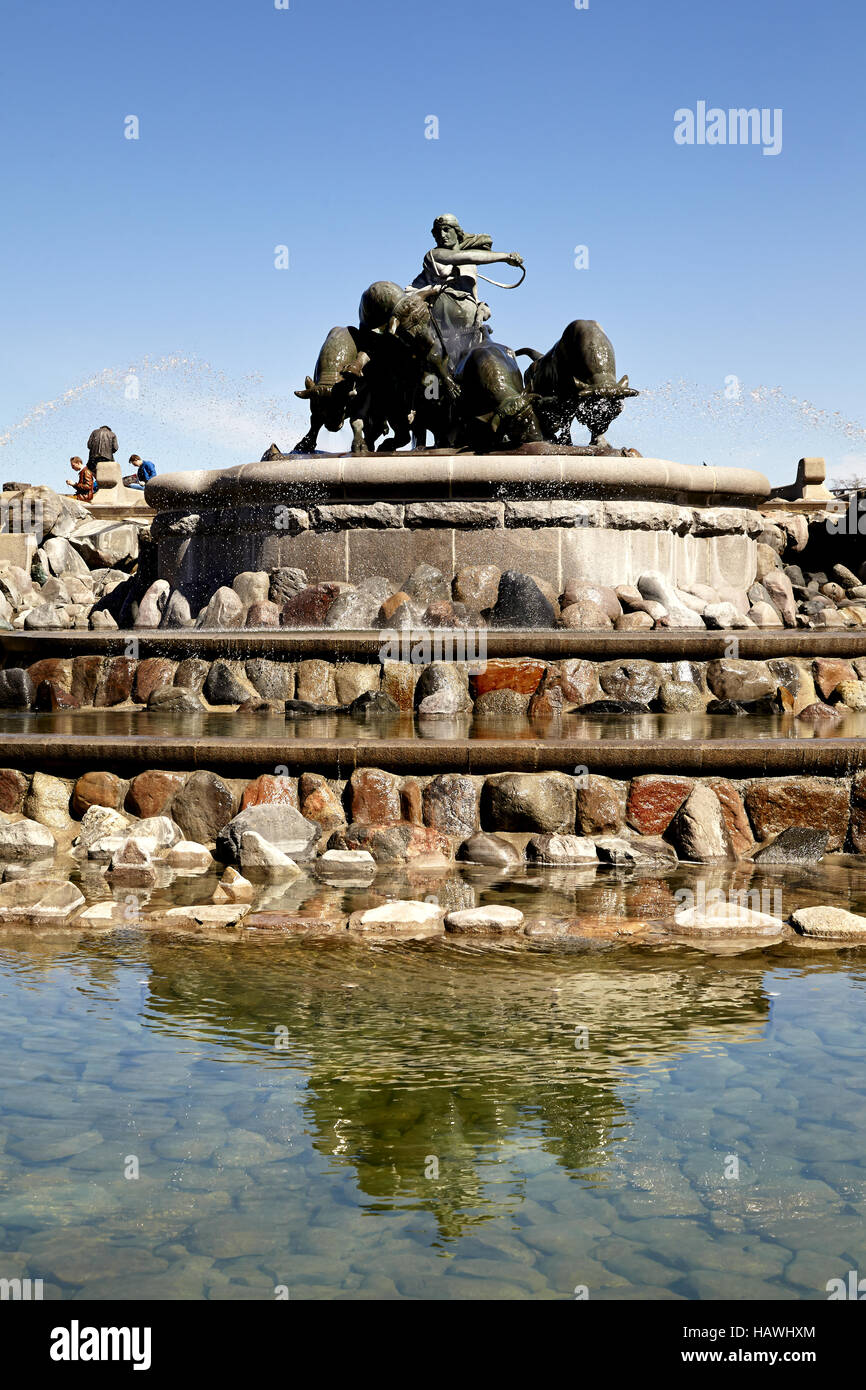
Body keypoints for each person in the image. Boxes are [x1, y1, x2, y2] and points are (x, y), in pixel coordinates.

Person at [411, 214, 524, 368]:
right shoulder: (434, 255)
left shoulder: (471, 267)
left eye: (446, 230)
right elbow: (465, 256)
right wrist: (505, 256)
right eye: (438, 232)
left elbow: (473, 293)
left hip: (469, 332)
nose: (442, 235)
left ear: (457, 232)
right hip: (441, 331)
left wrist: (481, 307)